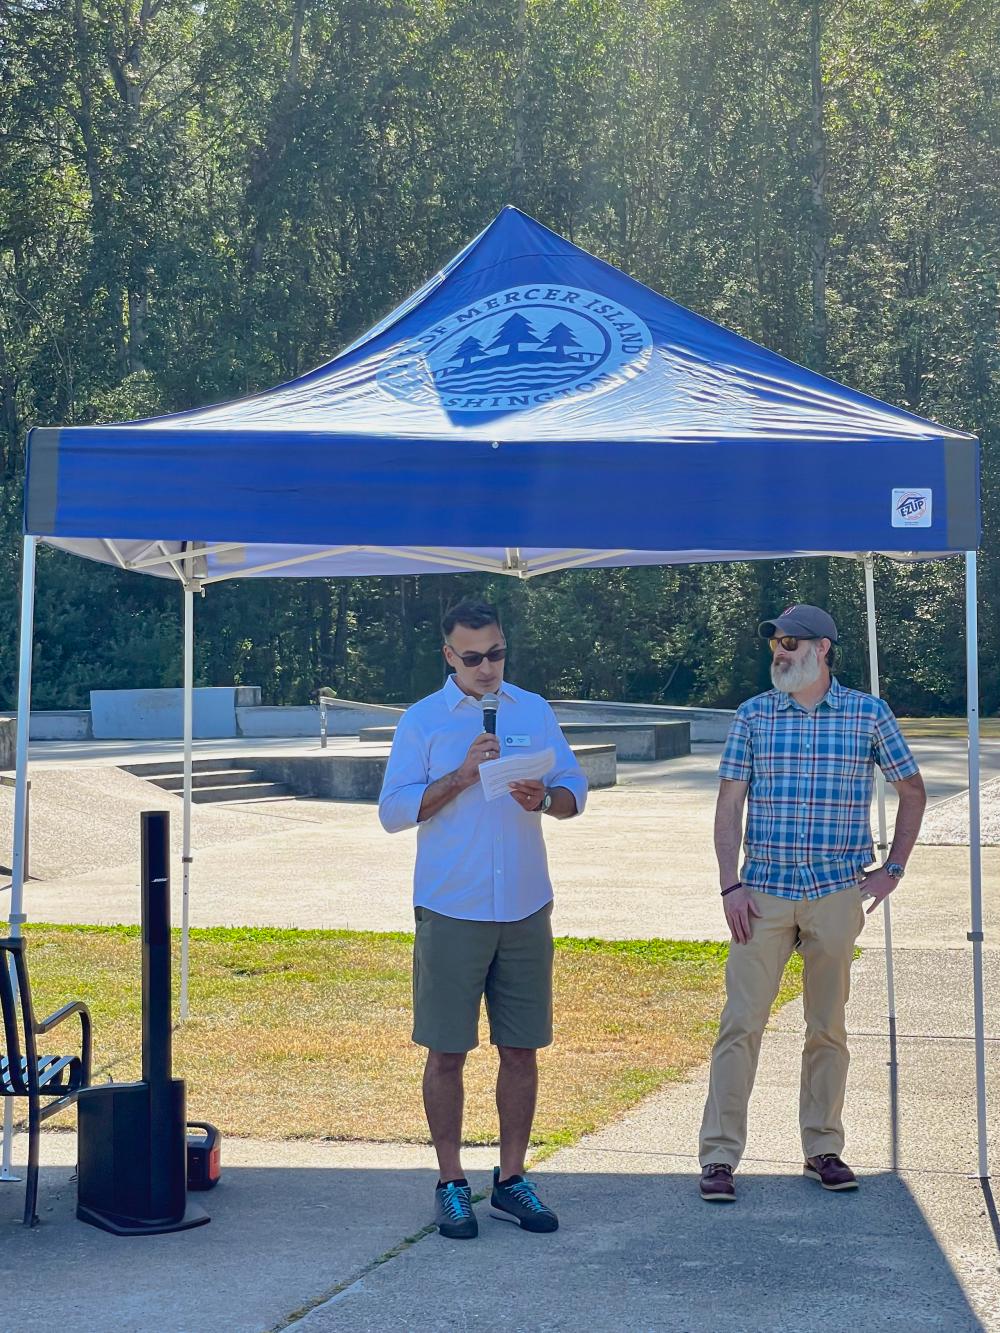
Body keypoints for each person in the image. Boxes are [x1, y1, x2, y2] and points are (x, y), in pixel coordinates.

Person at [698, 604, 926, 1202]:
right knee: (740, 1025)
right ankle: (719, 1158)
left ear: (823, 649)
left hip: (836, 894)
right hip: (762, 894)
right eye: (774, 641)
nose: (779, 649)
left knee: (827, 1028)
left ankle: (822, 1149)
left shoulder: (867, 713)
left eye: (792, 642)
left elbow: (912, 790)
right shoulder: (753, 716)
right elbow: (728, 807)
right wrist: (729, 885)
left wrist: (892, 870)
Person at [379, 598, 587, 1240]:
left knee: (521, 1050)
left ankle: (512, 1178)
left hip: (525, 905)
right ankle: (450, 1182)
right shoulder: (423, 721)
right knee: (448, 1051)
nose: (487, 667)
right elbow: (393, 811)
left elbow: (575, 785)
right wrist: (462, 775)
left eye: (496, 653)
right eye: (473, 657)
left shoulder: (533, 709)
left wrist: (546, 798)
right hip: (452, 908)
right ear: (449, 656)